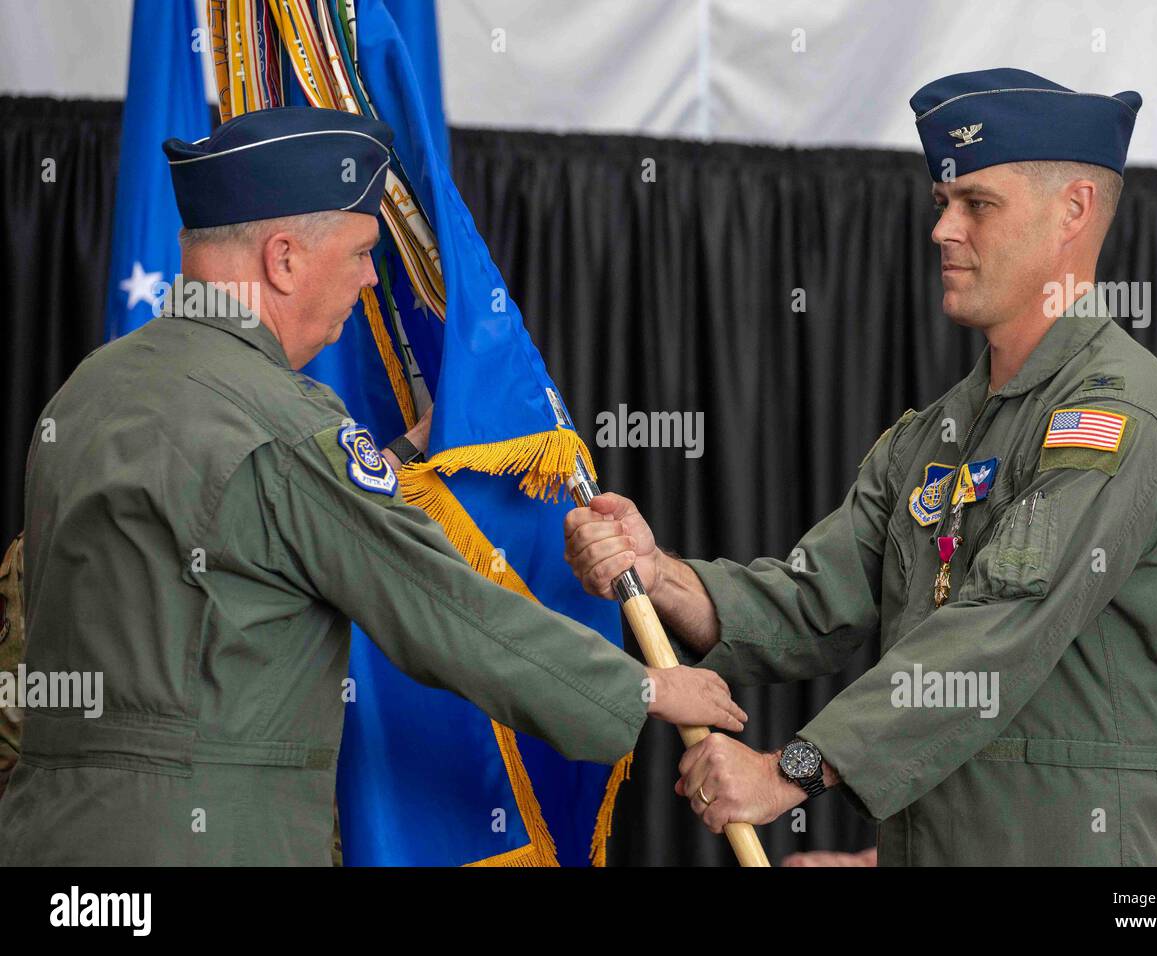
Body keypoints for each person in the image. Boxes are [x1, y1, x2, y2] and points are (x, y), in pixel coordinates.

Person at [0, 107, 746, 866]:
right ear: (284, 260)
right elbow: (441, 608)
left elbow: (217, 550)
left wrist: (376, 468)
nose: (367, 279)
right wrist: (640, 689)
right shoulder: (288, 426)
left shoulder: (85, 393)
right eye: (361, 252)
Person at [565, 69, 1157, 865]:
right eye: (943, 204)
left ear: (1073, 210)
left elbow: (996, 631)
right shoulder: (935, 434)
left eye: (978, 204)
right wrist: (657, 572)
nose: (943, 229)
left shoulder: (1117, 419)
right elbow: (810, 602)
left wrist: (790, 770)